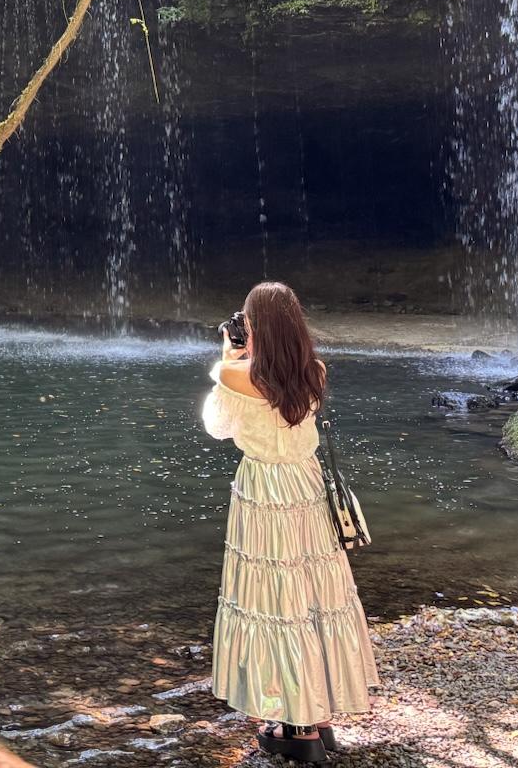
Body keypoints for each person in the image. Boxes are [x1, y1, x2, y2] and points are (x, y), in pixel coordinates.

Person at [203, 281, 376, 764]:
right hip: (307, 487)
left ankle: (298, 731)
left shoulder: (237, 375)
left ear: (256, 328)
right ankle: (320, 720)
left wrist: (229, 356)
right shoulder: (314, 371)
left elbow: (217, 427)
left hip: (265, 492)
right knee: (317, 597)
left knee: (277, 602)